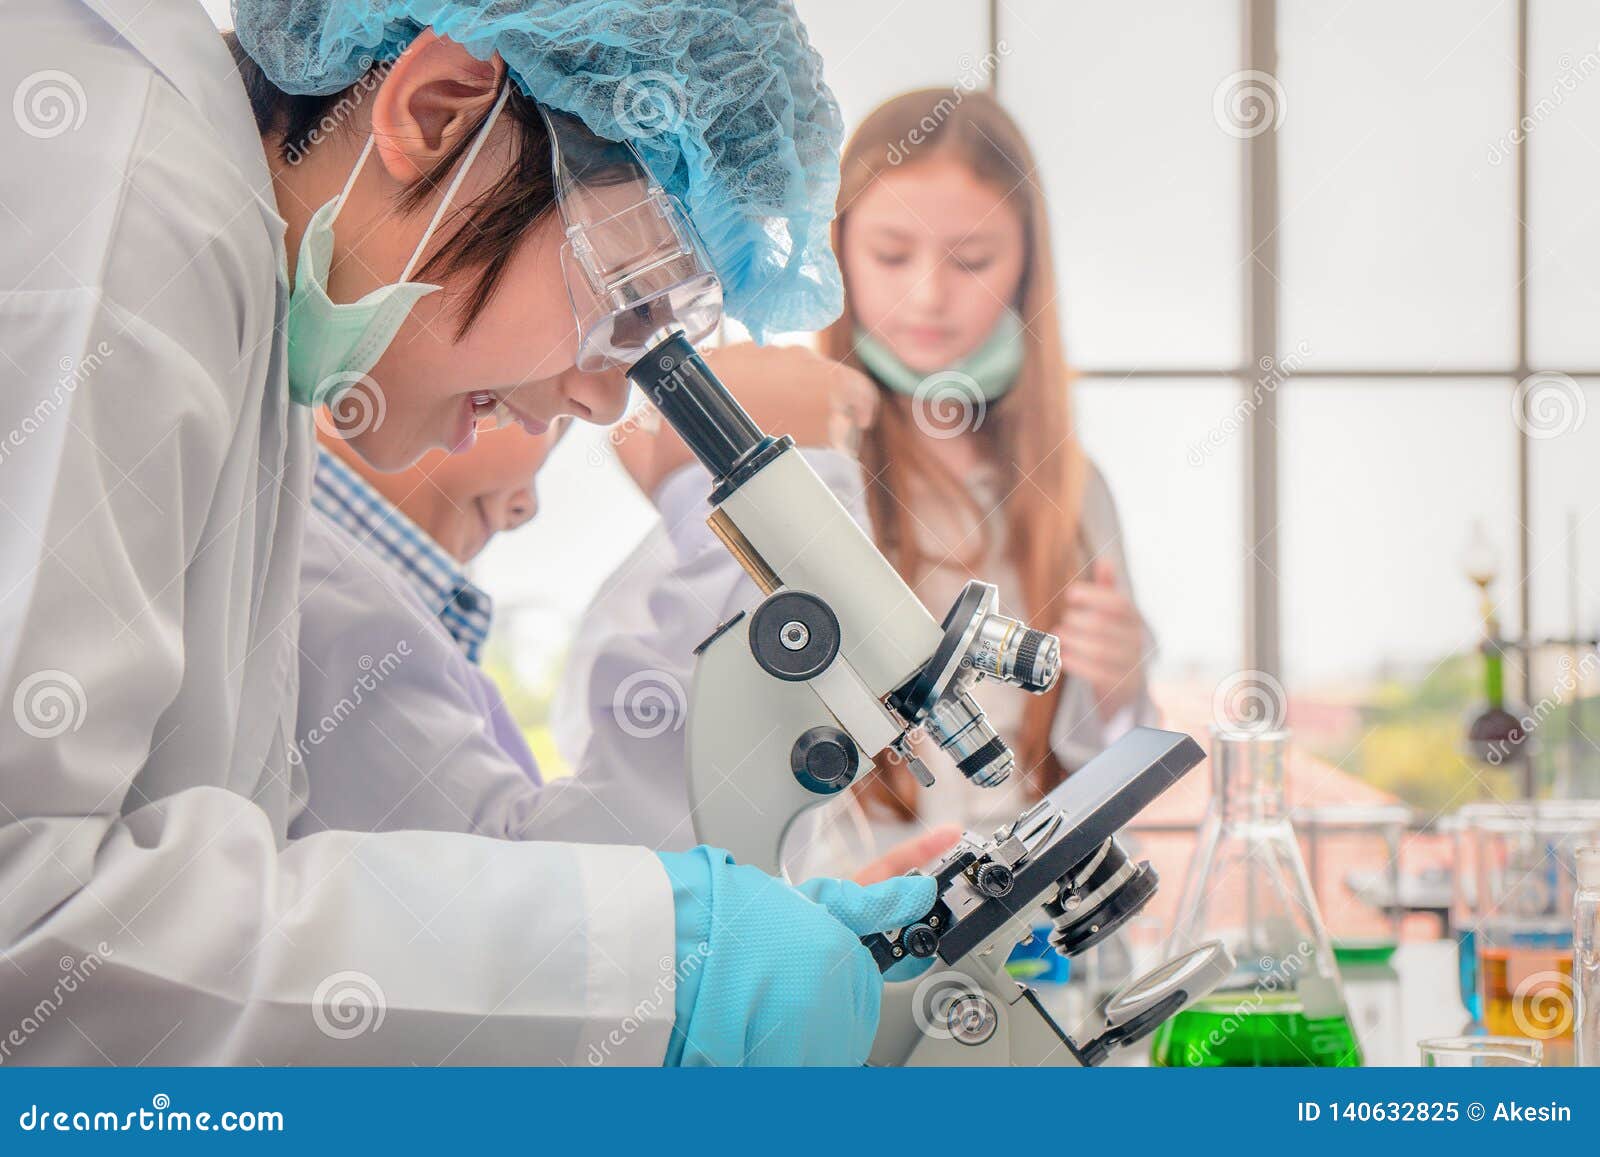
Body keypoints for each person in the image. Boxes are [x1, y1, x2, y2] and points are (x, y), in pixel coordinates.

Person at [0, 0, 929, 1066]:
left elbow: (238, 888)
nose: (598, 396)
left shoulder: (264, 315)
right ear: (436, 111)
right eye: (624, 299)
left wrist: (674, 940)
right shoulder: (128, 212)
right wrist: (659, 951)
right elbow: (27, 915)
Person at [295, 353, 958, 875]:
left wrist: (779, 930)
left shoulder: (412, 645)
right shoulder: (320, 611)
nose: (526, 506)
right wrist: (746, 495)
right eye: (545, 428)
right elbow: (566, 904)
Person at [818, 89, 1159, 848]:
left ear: (1026, 266)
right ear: (835, 249)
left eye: (971, 259)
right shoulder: (805, 475)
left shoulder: (1075, 492)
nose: (930, 295)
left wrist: (1120, 693)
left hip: (1038, 936)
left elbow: (1114, 783)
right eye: (891, 254)